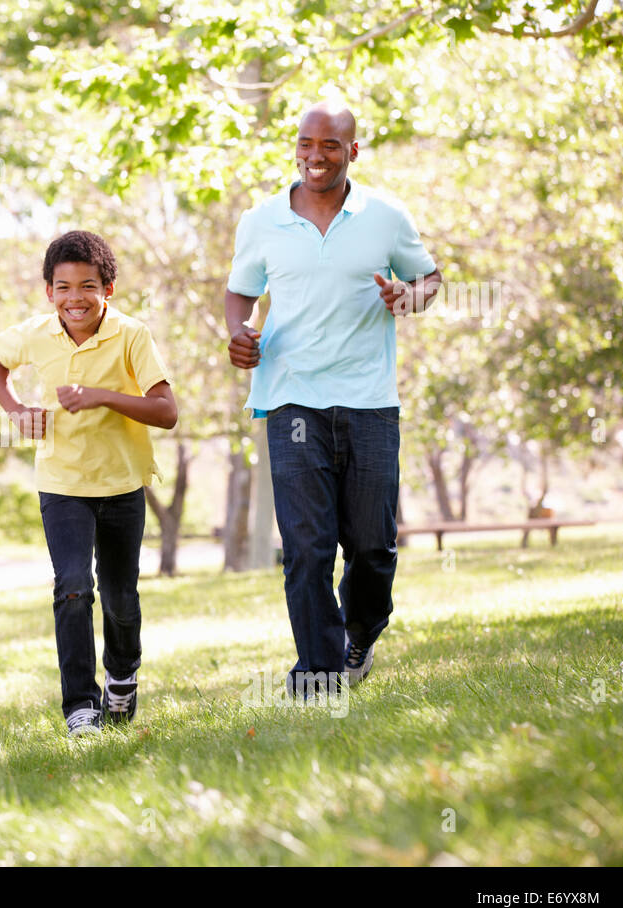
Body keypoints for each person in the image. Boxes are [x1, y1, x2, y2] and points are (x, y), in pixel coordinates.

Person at [224, 102, 442, 698]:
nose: (315, 156)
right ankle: (318, 672)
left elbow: (431, 279)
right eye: (306, 144)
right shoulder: (262, 220)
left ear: (353, 151)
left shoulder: (386, 217)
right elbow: (241, 293)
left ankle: (359, 633)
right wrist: (240, 335)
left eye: (330, 146)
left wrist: (408, 295)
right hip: (292, 396)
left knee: (372, 544)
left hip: (369, 399)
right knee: (306, 545)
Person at [0, 230, 177, 736]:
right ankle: (80, 706)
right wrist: (17, 411)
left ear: (107, 288)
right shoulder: (36, 334)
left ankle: (122, 675)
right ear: (49, 291)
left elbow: (166, 411)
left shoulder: (132, 335)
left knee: (120, 597)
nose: (75, 298)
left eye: (87, 286)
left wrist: (100, 396)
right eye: (63, 287)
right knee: (72, 587)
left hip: (121, 484)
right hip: (62, 482)